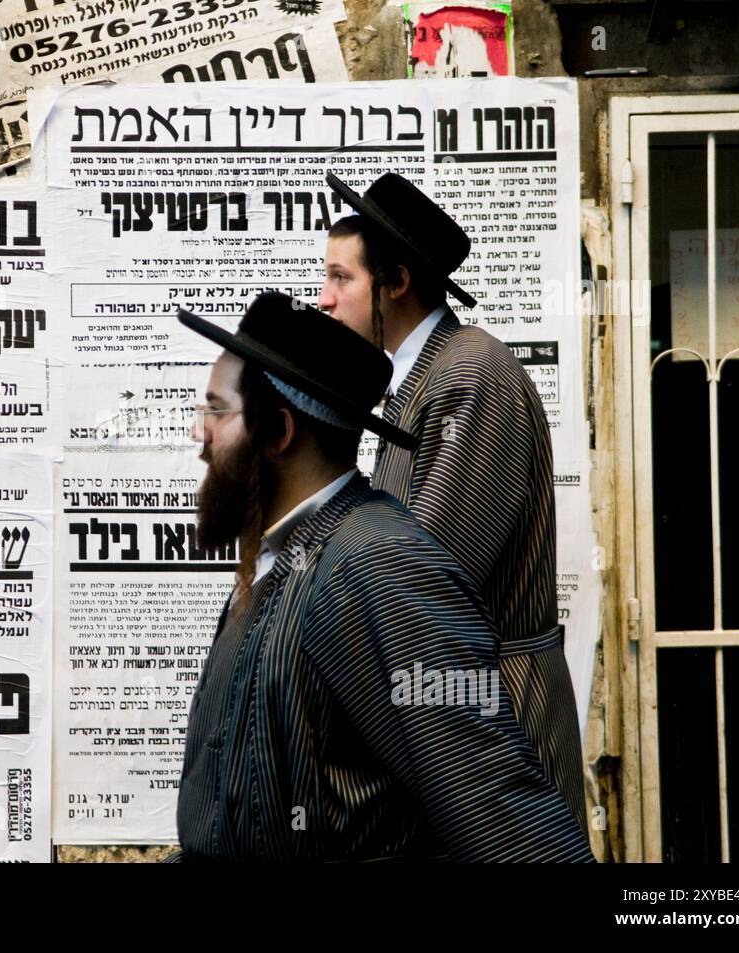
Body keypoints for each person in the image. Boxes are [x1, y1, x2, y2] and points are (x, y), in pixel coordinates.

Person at [167, 290, 593, 861]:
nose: (201, 434)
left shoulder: (379, 565)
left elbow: (502, 820)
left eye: (218, 411)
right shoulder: (275, 562)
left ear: (278, 432)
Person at [317, 170, 586, 831]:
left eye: (340, 278)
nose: (323, 299)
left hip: (496, 731)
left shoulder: (468, 373)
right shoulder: (426, 378)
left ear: (397, 282)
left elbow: (424, 586)